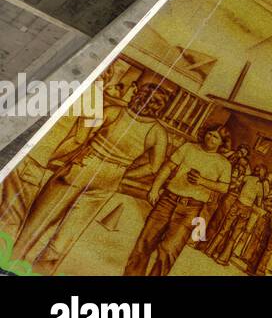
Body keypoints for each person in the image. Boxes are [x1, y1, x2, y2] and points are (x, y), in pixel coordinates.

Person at [11, 84, 172, 275]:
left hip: (84, 164)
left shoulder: (113, 112)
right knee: (66, 236)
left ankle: (9, 264)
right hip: (111, 177)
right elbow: (154, 167)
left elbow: (79, 139)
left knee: (40, 219)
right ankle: (40, 273)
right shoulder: (158, 133)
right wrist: (123, 174)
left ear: (137, 95)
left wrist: (54, 158)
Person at [125, 124, 231, 276]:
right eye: (209, 133)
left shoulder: (224, 164)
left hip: (191, 209)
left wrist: (202, 181)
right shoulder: (188, 147)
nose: (210, 138)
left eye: (216, 137)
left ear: (222, 143)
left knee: (168, 251)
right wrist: (155, 188)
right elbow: (168, 167)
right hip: (167, 200)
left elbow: (224, 188)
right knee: (145, 242)